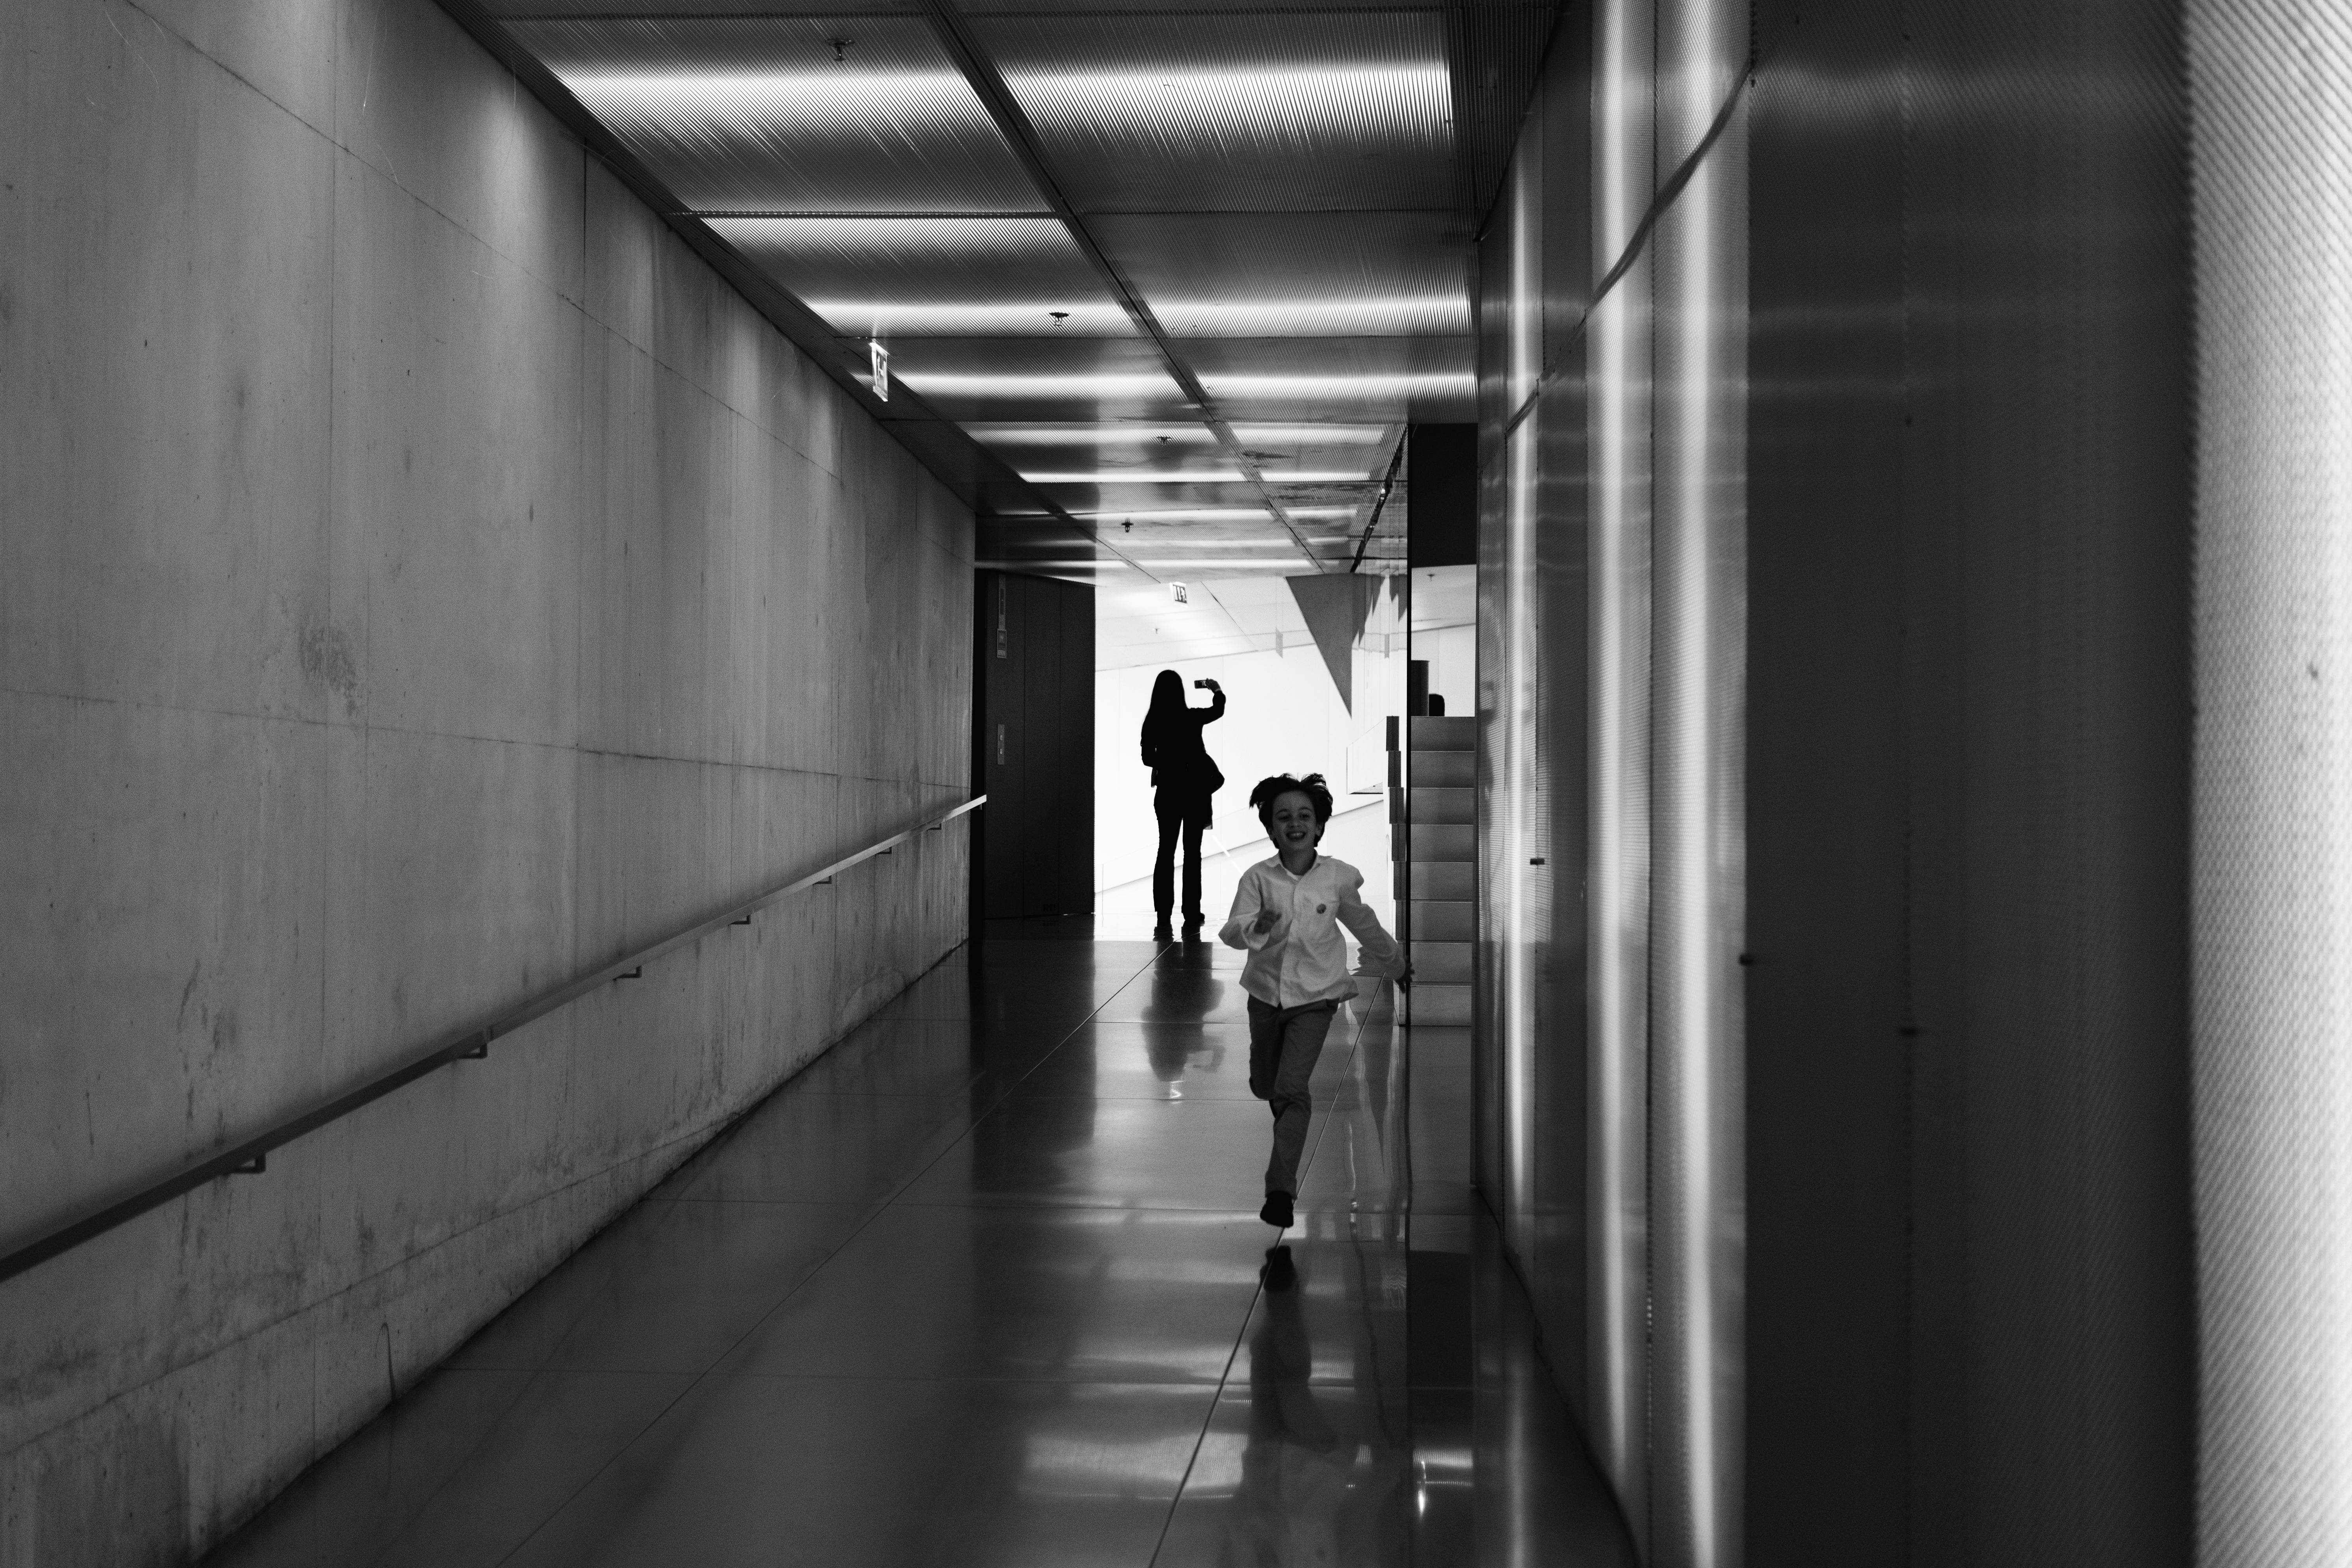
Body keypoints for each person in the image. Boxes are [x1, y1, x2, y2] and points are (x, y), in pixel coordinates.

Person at [1220, 773, 1405, 1230]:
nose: (1296, 824)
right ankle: (1274, 1096)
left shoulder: (1338, 878)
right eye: (1285, 817)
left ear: (1320, 826)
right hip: (1265, 995)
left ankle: (1280, 1190)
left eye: (1305, 816)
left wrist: (1397, 965)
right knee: (1266, 1083)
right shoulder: (1257, 878)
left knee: (1291, 1090)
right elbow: (1233, 933)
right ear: (1271, 828)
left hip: (1316, 997)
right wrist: (1259, 925)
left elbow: (1365, 925)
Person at [1140, 670, 1225, 940]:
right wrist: (1216, 689)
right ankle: (1192, 910)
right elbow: (1218, 710)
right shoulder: (1192, 716)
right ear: (1181, 691)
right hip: (1195, 792)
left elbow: (1146, 758)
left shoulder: (1152, 721)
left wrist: (1167, 761)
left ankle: (1163, 912)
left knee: (1166, 851)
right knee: (1193, 852)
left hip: (1168, 793)